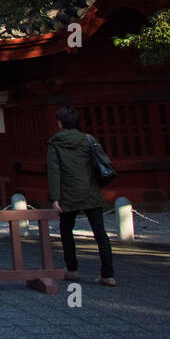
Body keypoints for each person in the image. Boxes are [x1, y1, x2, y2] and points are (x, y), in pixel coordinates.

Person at [47, 106, 116, 286]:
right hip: (90, 191)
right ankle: (108, 274)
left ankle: (72, 268)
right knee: (100, 233)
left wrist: (55, 198)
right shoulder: (88, 140)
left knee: (66, 231)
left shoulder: (55, 144)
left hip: (68, 193)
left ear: (60, 123)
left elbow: (54, 172)